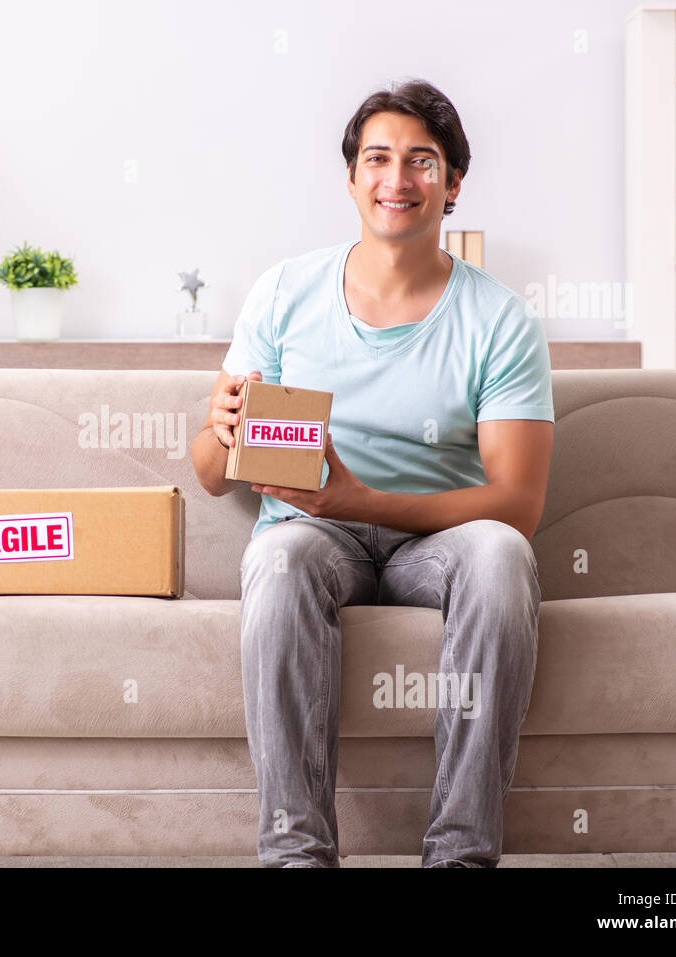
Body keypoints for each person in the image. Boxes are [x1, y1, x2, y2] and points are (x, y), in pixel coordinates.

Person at [190, 79, 555, 868]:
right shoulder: (285, 293)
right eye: (379, 159)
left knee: (500, 556)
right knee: (277, 557)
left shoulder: (499, 319)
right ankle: (296, 855)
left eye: (422, 162)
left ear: (453, 183)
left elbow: (517, 505)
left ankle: (461, 854)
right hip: (315, 532)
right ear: (352, 177)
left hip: (440, 541)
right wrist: (218, 428)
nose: (398, 179)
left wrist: (366, 497)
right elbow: (213, 475)